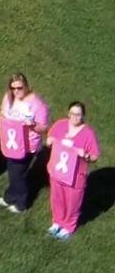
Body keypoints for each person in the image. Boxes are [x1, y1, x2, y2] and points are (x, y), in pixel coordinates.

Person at [0, 72, 49, 213]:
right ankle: (10, 197)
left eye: (20, 88)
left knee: (16, 173)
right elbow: (3, 112)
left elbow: (43, 128)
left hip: (27, 145)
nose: (16, 91)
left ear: (26, 86)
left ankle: (21, 203)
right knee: (13, 170)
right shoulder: (8, 98)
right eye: (13, 88)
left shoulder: (37, 104)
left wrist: (32, 125)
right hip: (11, 141)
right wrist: (0, 116)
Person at [45, 102, 101, 240]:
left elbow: (94, 155)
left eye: (78, 114)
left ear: (83, 116)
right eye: (72, 113)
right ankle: (57, 222)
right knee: (57, 198)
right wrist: (50, 140)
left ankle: (68, 226)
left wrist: (85, 155)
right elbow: (48, 141)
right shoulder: (60, 125)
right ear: (68, 113)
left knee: (72, 202)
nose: (74, 117)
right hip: (58, 171)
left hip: (76, 176)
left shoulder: (88, 133)